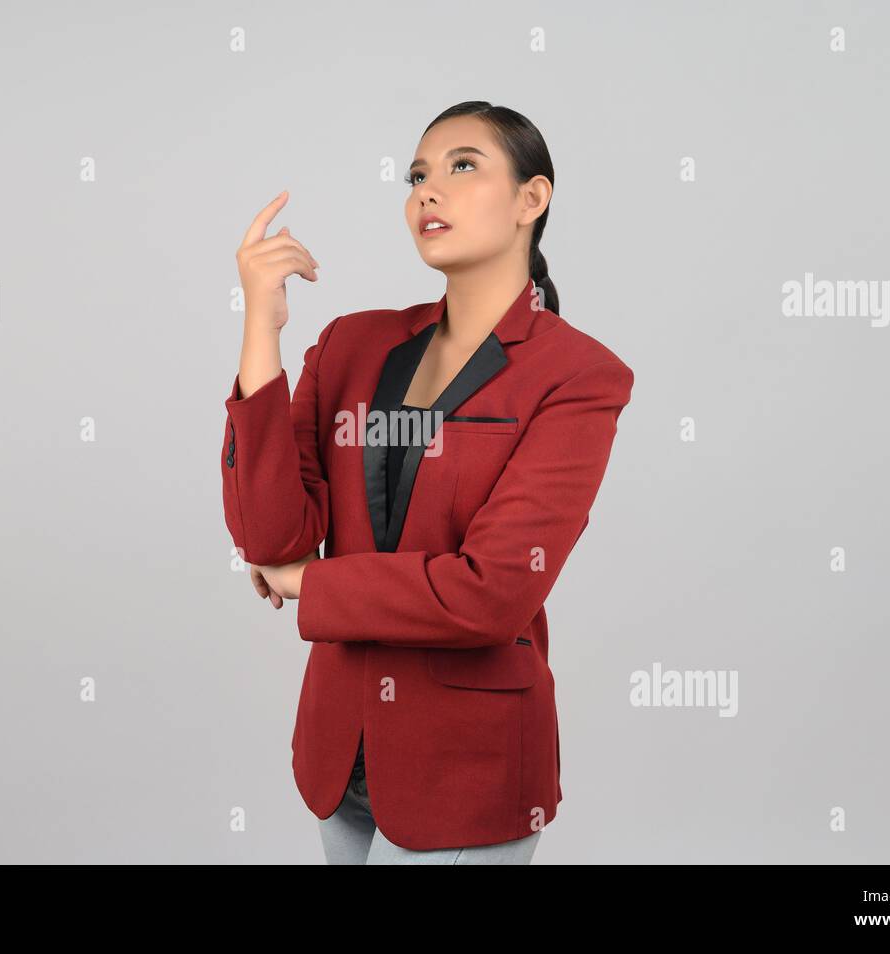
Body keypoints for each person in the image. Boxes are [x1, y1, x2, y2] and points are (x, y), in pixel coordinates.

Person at [221, 101, 634, 864]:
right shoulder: (353, 342)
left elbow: (491, 595)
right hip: (338, 754)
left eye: (462, 166)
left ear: (531, 200)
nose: (426, 191)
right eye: (417, 175)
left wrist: (310, 583)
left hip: (466, 768)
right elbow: (268, 535)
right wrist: (261, 329)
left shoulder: (578, 376)